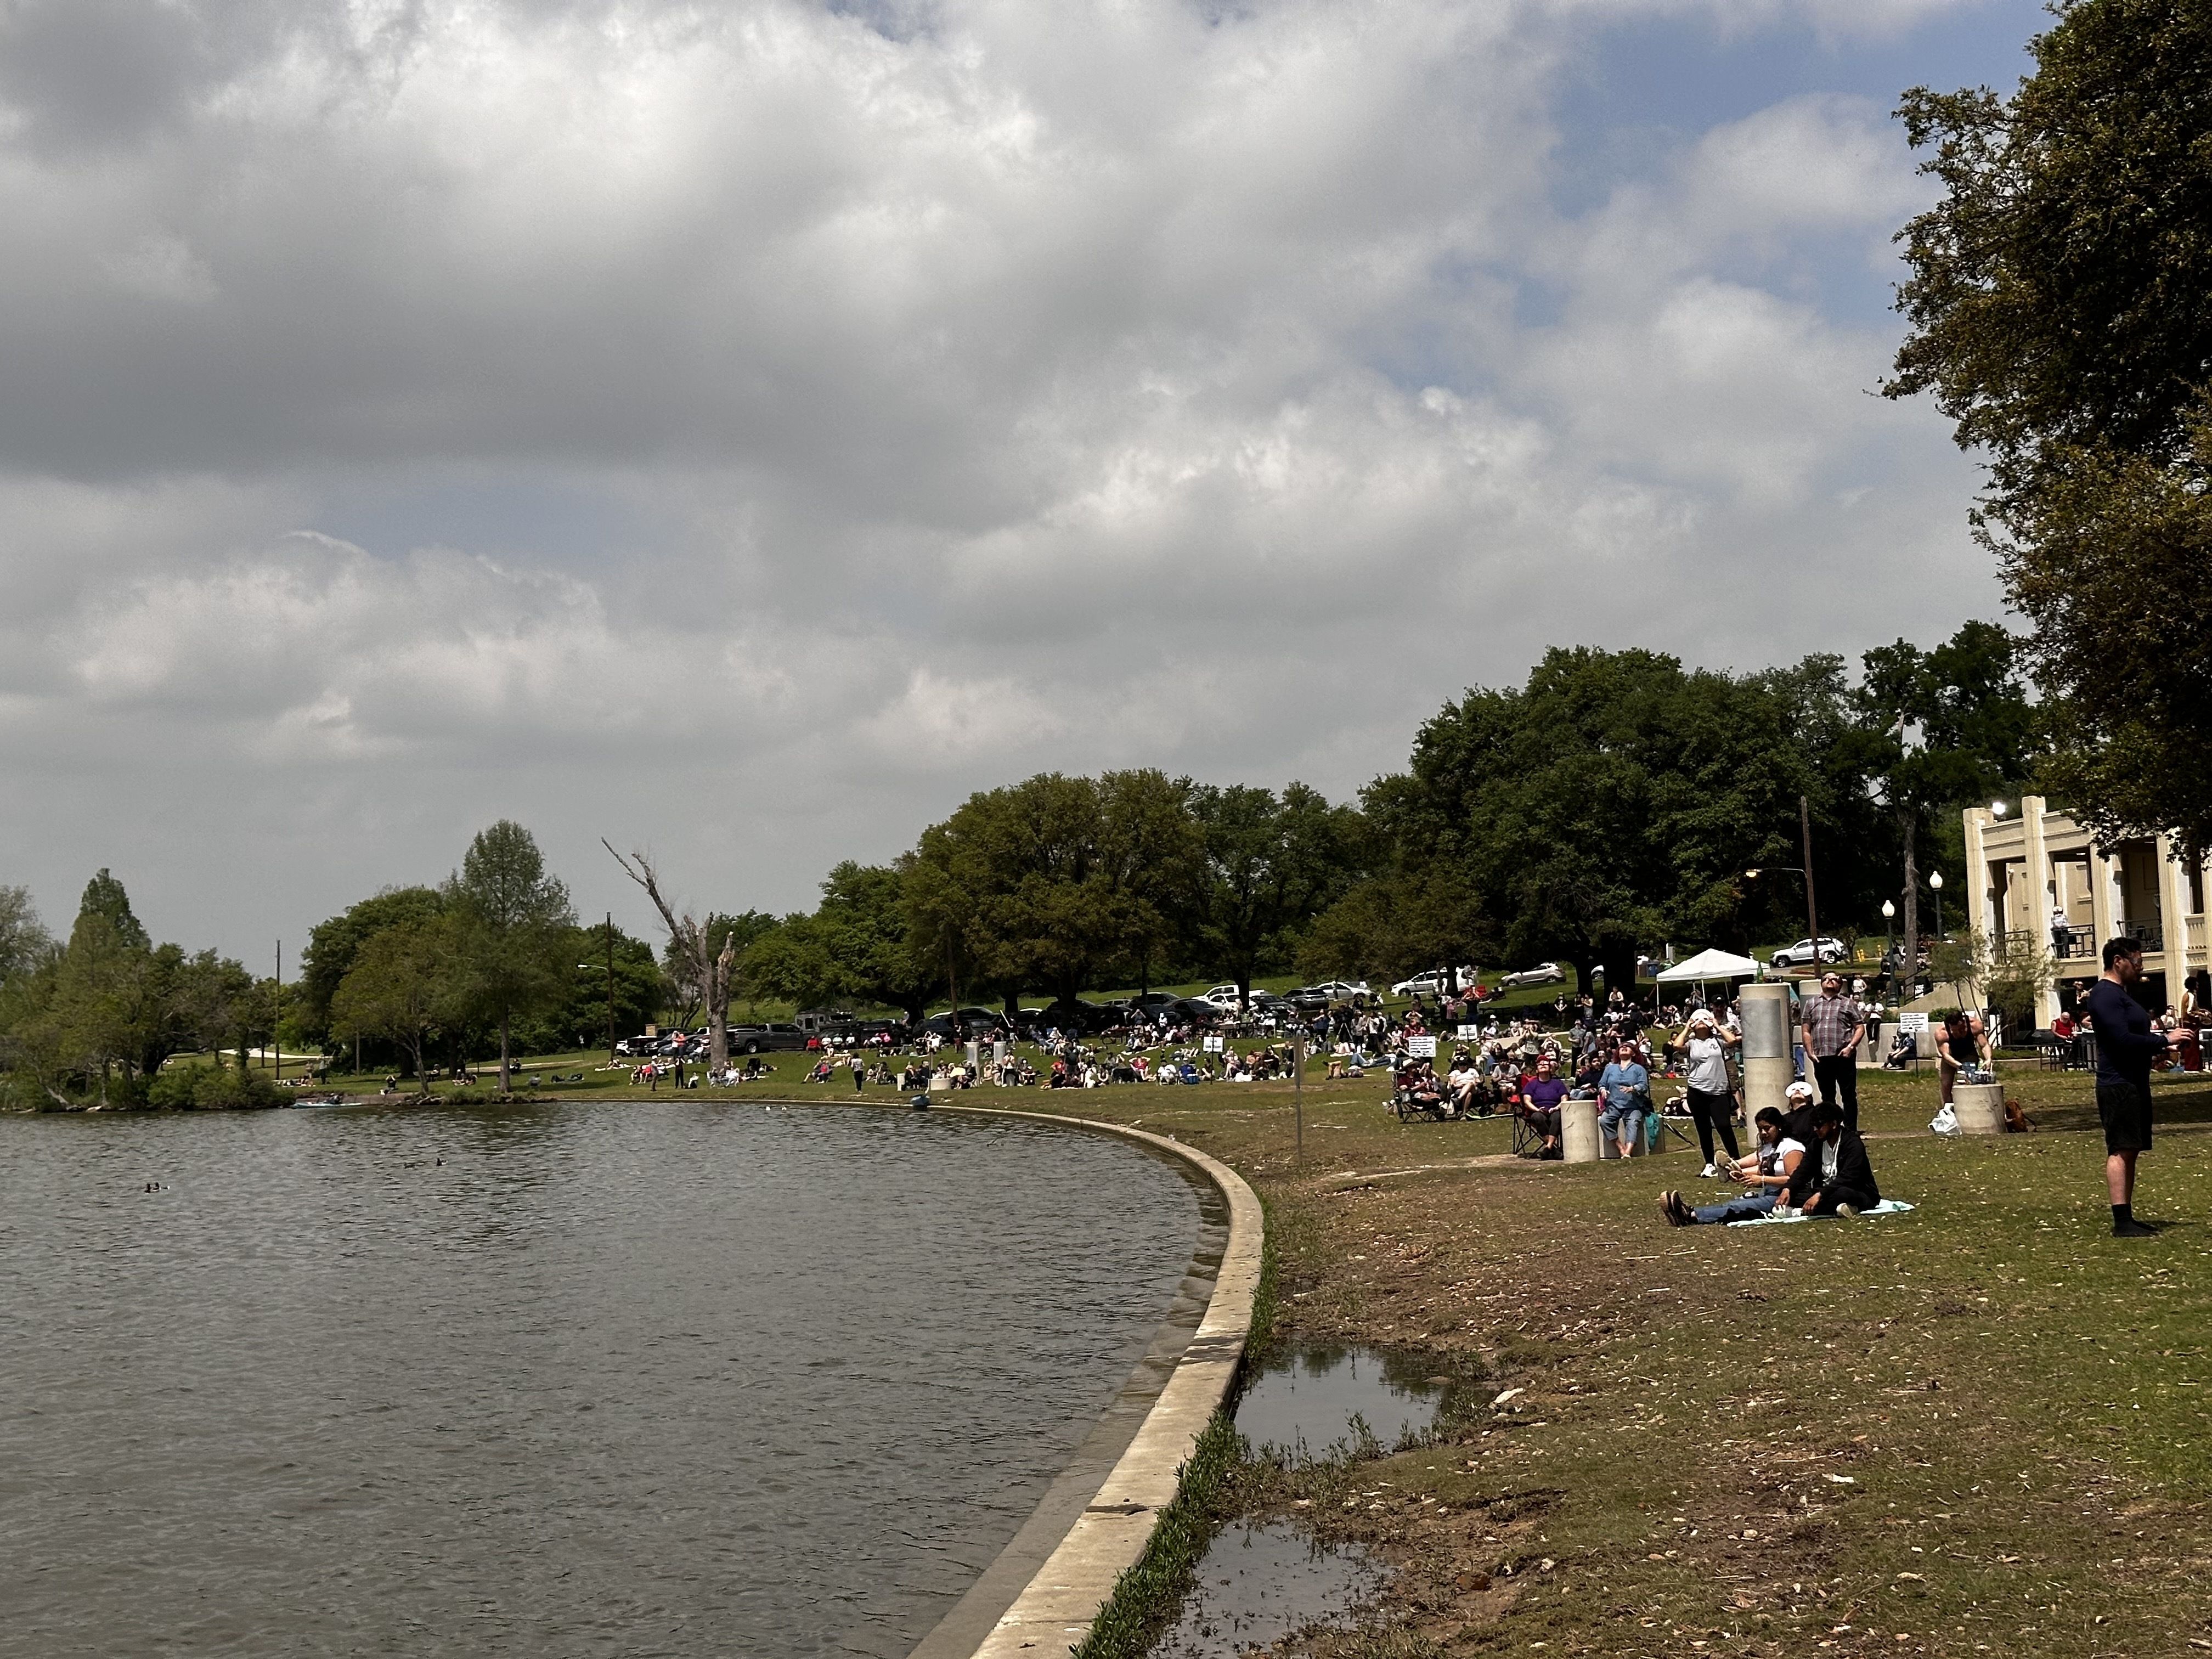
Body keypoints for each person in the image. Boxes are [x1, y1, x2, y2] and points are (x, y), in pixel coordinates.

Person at [2086, 936, 2176, 1237]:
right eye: (2137, 963)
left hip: (2135, 1082)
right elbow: (2121, 1041)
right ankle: (2121, 1221)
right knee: (2121, 1149)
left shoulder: (2120, 995)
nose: (2140, 969)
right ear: (2118, 961)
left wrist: (2157, 1050)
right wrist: (2165, 1040)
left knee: (2131, 1149)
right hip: (2118, 1085)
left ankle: (2128, 1216)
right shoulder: (2104, 995)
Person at [1660, 1107, 1805, 1226]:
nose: (1763, 1133)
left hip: (1785, 1198)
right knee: (1733, 1203)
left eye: (1767, 1128)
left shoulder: (1791, 1148)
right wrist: (1741, 1173)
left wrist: (1761, 1180)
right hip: (1769, 1193)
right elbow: (1763, 1168)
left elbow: (1795, 1180)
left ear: (1779, 1126)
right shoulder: (1770, 1147)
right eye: (1760, 1129)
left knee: (1737, 1208)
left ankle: (1690, 1215)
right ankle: (1689, 1212)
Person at [1781, 1101, 1881, 1216]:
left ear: (1833, 1124)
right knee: (1794, 1194)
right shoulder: (1816, 1144)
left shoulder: (1853, 1143)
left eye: (1819, 1126)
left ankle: (1801, 1212)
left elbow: (1849, 1178)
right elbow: (1804, 1171)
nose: (1815, 1130)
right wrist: (1788, 1188)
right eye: (1813, 1126)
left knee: (1842, 1194)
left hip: (1855, 1191)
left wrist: (1820, 1194)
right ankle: (1839, 1209)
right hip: (1825, 1191)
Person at [1674, 1009, 1741, 1176]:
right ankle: (1709, 1163)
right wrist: (1687, 1028)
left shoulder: (1718, 1041)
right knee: (1703, 1129)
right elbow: (1676, 1045)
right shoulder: (1691, 1044)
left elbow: (1732, 1040)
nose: (1702, 1021)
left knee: (1724, 1126)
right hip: (1697, 1091)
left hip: (1718, 1092)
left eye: (1705, 1019)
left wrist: (1717, 1026)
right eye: (1698, 1020)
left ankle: (1736, 1160)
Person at [1799, 972, 1866, 1131]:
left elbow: (1859, 1028)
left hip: (1843, 1056)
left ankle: (1851, 1129)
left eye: (1834, 979)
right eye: (1826, 979)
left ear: (1840, 984)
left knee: (1848, 1095)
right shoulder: (1811, 1004)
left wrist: (1850, 1047)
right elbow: (1806, 1030)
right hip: (1821, 1057)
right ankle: (1832, 1127)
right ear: (1821, 983)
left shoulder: (1848, 1003)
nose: (1830, 982)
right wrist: (1810, 1052)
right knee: (1827, 1096)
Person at [1595, 1041, 1650, 1158]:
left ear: (1634, 1053)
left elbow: (1644, 1086)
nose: (1624, 1048)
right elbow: (1601, 1084)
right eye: (1622, 1047)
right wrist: (1603, 1090)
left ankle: (1628, 1152)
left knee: (1633, 1122)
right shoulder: (1610, 1068)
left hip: (1633, 1105)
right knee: (1604, 1121)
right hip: (1613, 1106)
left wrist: (1633, 1089)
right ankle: (1621, 1147)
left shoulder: (1639, 1069)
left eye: (1628, 1047)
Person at [1934, 1008, 1987, 1105]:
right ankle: (1947, 1109)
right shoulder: (1941, 1032)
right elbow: (1945, 1055)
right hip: (1950, 1057)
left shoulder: (1975, 1025)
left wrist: (1988, 1059)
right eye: (1953, 1030)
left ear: (1963, 1022)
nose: (1957, 1033)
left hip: (1969, 1054)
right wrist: (1960, 1066)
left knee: (1972, 1082)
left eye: (1961, 1029)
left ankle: (1973, 1106)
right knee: (1946, 1084)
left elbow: (1984, 1045)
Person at [1520, 1054, 1567, 1158]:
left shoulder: (1557, 1084)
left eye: (1546, 1063)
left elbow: (1565, 1099)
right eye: (1540, 1064)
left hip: (1555, 1110)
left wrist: (1556, 1108)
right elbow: (1527, 1102)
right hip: (1538, 1111)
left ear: (1550, 1068)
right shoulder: (1532, 1085)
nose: (1543, 1064)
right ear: (1536, 1070)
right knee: (1537, 1117)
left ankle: (1548, 1148)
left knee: (1557, 1116)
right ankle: (1553, 1150)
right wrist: (1538, 1109)